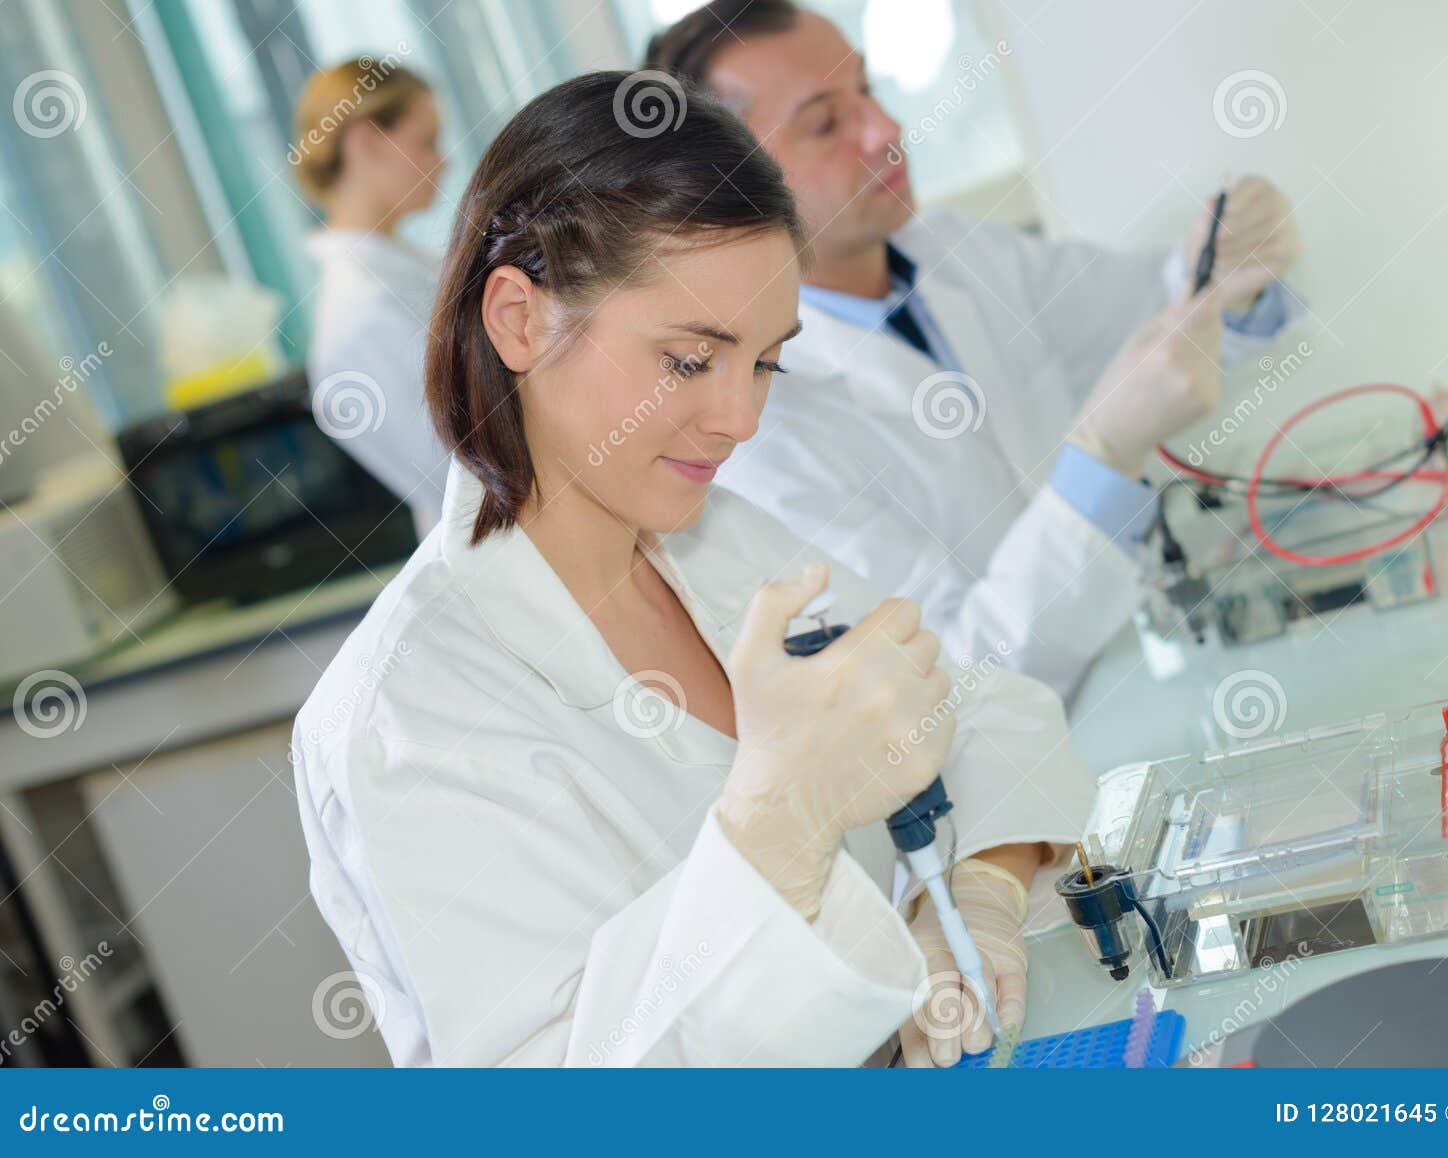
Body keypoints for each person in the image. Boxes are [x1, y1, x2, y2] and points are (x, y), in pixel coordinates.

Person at [292, 72, 1098, 1068]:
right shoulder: (405, 714)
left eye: (765, 362)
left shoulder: (726, 544)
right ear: (518, 320)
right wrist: (774, 827)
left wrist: (979, 888)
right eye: (687, 360)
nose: (739, 419)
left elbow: (975, 702)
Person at [645, 2, 1303, 700]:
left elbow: (1156, 314)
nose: (887, 130)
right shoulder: (757, 439)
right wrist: (1101, 461)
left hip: (1147, 674)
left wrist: (1231, 274)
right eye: (827, 123)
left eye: (866, 91)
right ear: (725, 193)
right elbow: (957, 668)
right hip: (1024, 769)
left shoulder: (958, 253)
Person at [293, 59, 452, 534]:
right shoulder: (358, 319)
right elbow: (455, 478)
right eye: (427, 142)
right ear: (366, 142)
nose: (443, 161)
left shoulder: (407, 268)